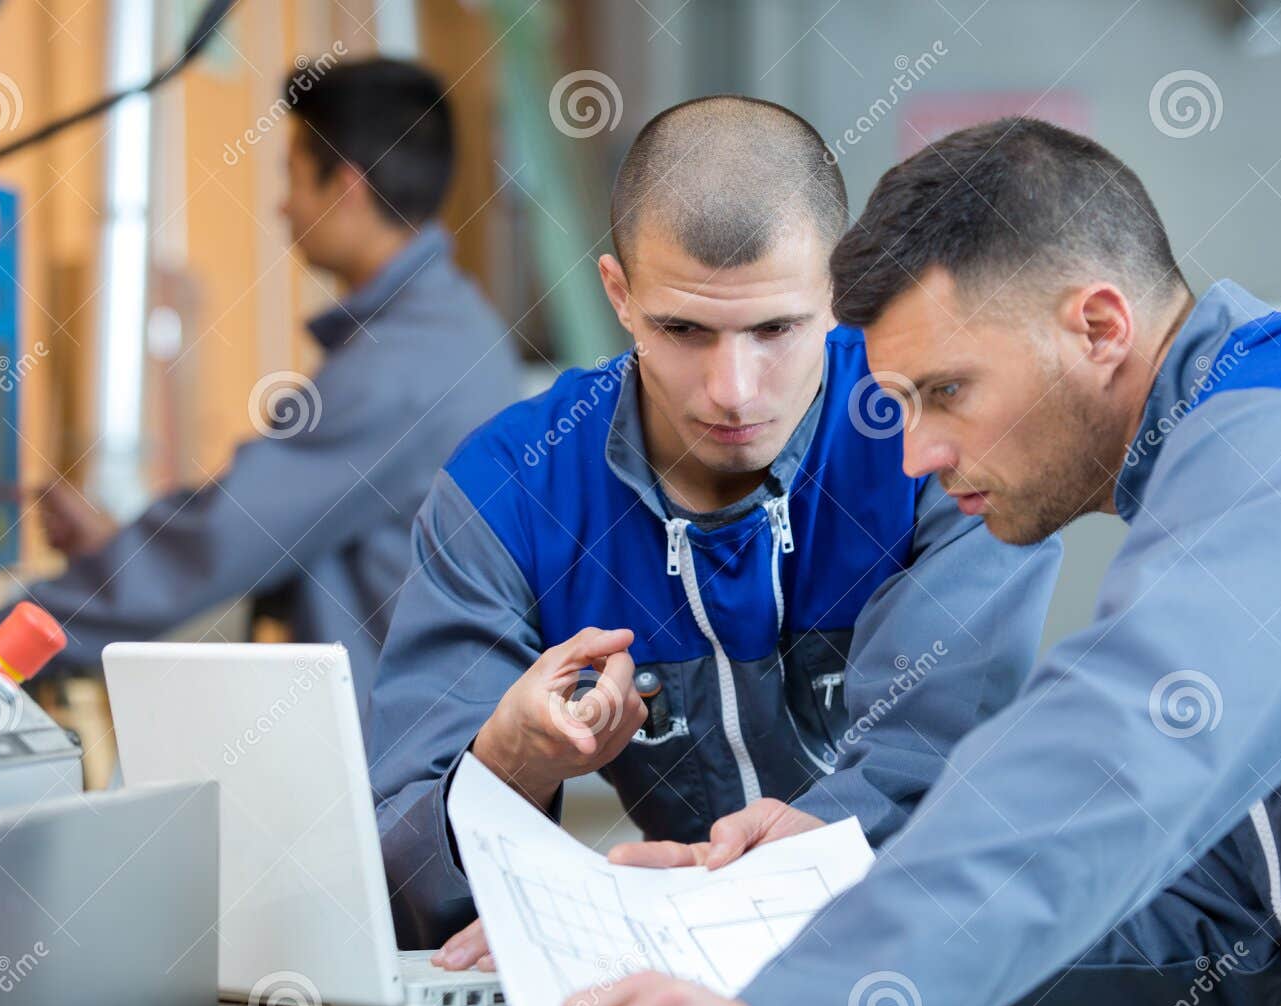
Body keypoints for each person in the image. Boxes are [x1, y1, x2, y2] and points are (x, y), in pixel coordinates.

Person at [527, 116, 1281, 1006]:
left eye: (947, 390)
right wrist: (749, 940)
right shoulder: (1231, 457)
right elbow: (1204, 929)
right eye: (898, 403)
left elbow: (1117, 744)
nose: (917, 453)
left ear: (1097, 326)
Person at [363, 96, 1062, 956]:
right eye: (683, 329)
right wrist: (510, 761)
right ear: (618, 293)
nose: (733, 388)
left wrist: (684, 908)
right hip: (700, 999)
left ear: (839, 287)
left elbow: (937, 774)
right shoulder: (509, 493)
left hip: (969, 970)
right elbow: (394, 888)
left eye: (776, 327)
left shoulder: (939, 437)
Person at [0, 58, 523, 700]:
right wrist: (118, 547)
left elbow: (218, 545)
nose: (282, 206)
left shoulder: (399, 365)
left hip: (399, 767)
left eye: (291, 178)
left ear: (345, 188)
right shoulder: (451, 325)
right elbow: (252, 531)